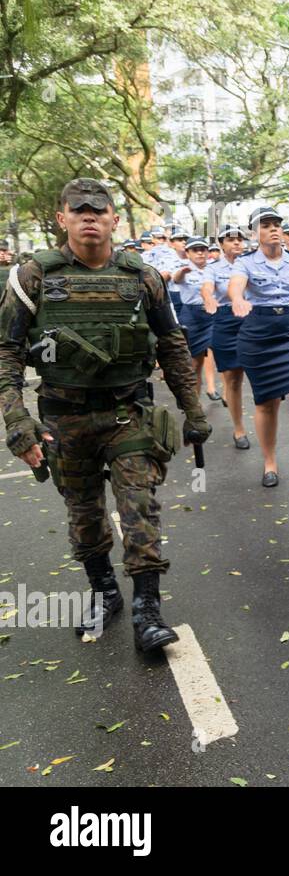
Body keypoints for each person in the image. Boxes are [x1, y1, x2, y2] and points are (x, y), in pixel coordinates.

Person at [0, 179, 210, 652]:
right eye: (79, 210)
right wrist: (17, 421)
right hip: (63, 417)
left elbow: (174, 347)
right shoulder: (33, 276)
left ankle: (147, 611)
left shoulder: (143, 276)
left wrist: (192, 411)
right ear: (62, 219)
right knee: (84, 513)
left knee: (139, 505)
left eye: (99, 210)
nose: (89, 217)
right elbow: (6, 352)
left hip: (127, 412)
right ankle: (105, 592)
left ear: (116, 219)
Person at [227, 207, 289, 487]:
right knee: (267, 403)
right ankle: (270, 462)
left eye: (276, 224)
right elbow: (236, 286)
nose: (273, 228)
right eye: (265, 225)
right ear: (254, 233)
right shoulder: (245, 262)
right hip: (258, 333)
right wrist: (237, 299)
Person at [201, 225, 251, 449]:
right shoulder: (213, 268)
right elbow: (206, 287)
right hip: (225, 321)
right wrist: (209, 298)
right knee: (233, 378)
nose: (237, 243)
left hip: (251, 319)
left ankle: (266, 417)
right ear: (221, 244)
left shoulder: (253, 263)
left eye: (240, 239)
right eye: (231, 240)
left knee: (261, 373)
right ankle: (239, 429)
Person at [172, 236, 215, 388]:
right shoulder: (183, 268)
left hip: (213, 316)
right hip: (192, 317)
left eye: (203, 249)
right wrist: (183, 272)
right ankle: (194, 403)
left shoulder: (215, 268)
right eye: (195, 250)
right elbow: (176, 279)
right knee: (195, 363)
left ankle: (217, 390)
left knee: (223, 356)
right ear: (187, 253)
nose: (199, 253)